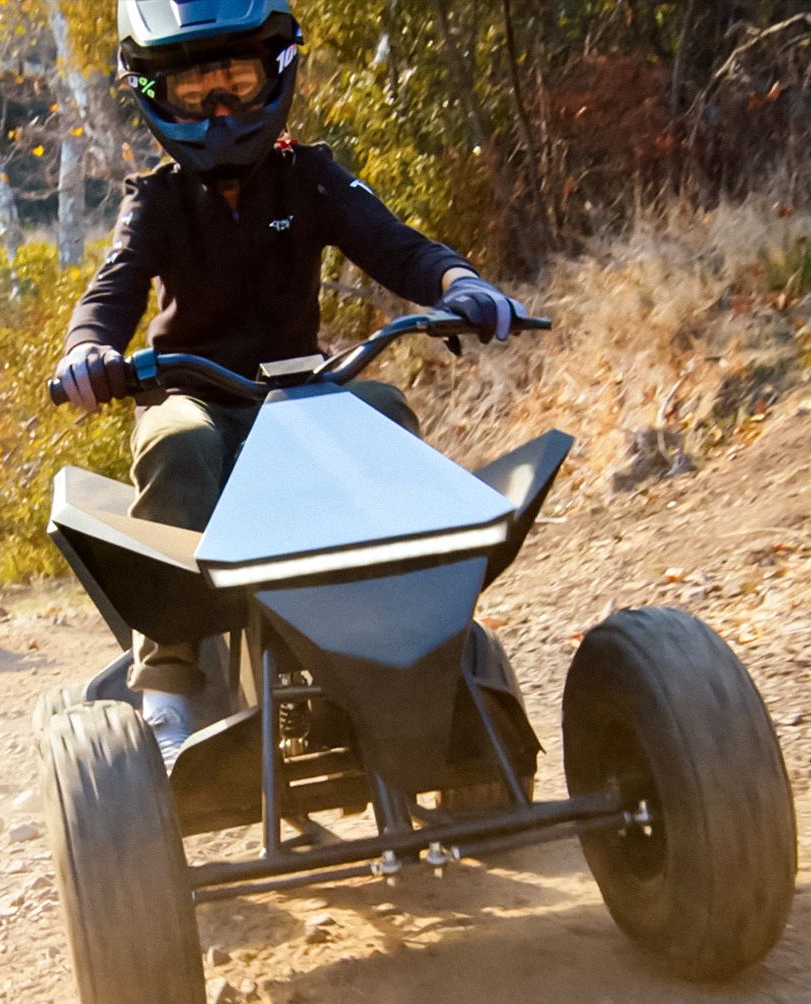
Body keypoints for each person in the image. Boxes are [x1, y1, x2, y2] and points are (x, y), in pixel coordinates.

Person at [51, 0, 523, 766]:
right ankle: (168, 690)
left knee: (384, 411)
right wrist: (87, 350)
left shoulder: (310, 175)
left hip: (305, 401)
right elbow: (112, 290)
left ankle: (410, 636)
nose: (221, 106)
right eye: (197, 89)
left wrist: (461, 283)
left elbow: (398, 247)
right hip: (198, 396)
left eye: (235, 77)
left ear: (274, 71)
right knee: (177, 442)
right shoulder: (157, 201)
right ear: (155, 95)